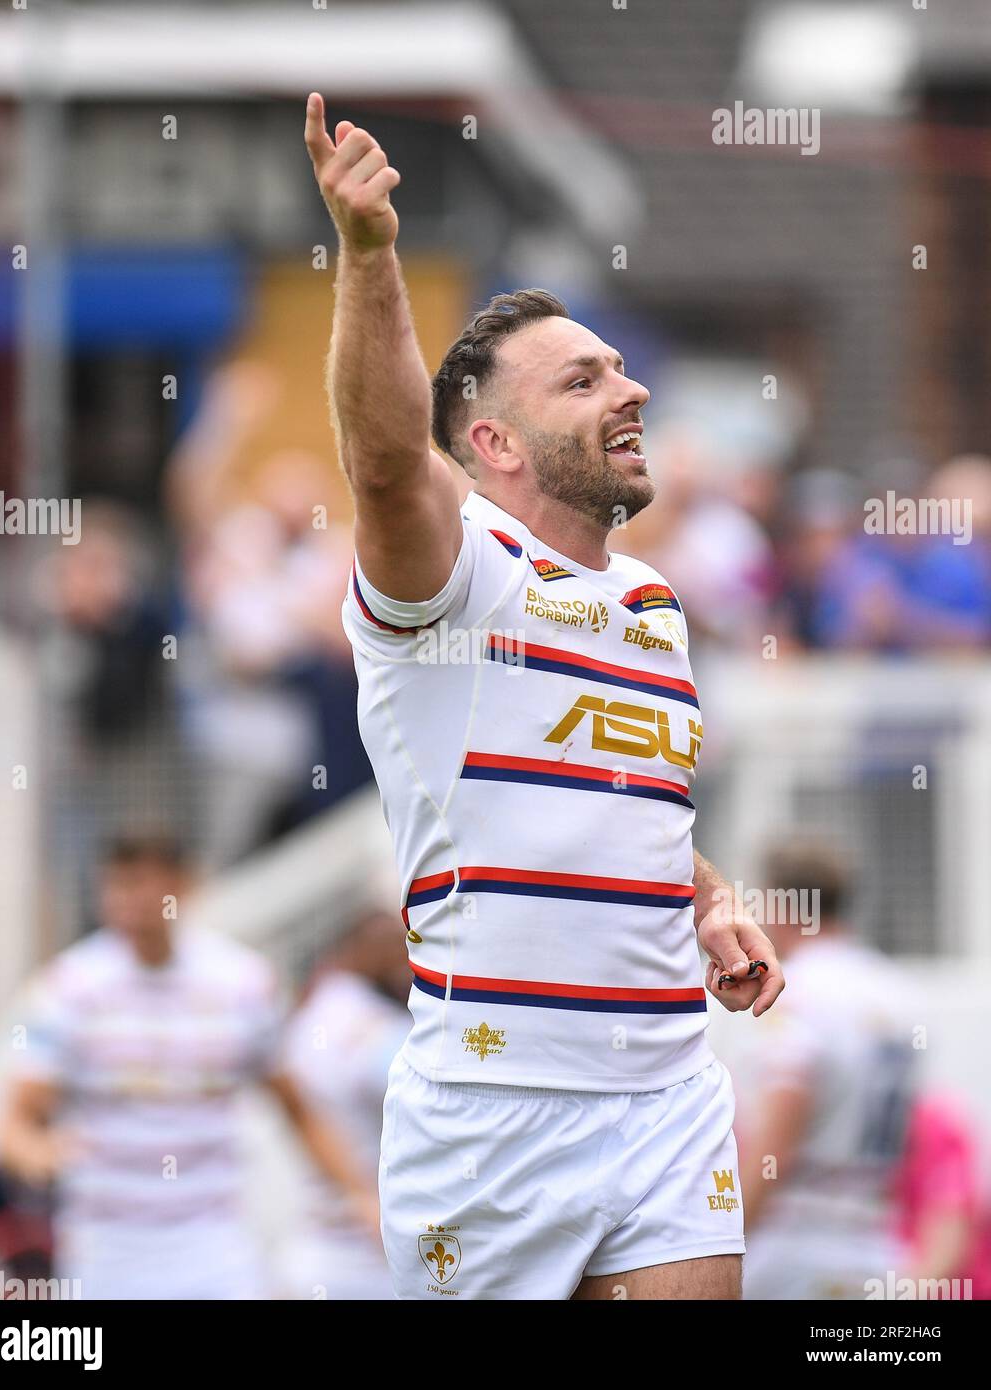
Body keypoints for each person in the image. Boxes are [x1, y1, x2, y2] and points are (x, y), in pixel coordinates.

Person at [303, 93, 784, 1301]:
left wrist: (710, 895)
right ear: (494, 443)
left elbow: (626, 804)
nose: (628, 392)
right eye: (582, 381)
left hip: (669, 1089)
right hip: (493, 1112)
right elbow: (377, 456)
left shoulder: (653, 604)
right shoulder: (454, 574)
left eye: (621, 369)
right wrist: (369, 254)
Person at [0, 835, 378, 1300]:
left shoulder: (242, 983)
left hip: (214, 1244)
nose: (128, 902)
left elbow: (298, 1109)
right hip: (106, 1246)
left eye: (142, 884)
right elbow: (16, 1121)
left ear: (184, 887)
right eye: (117, 886)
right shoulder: (68, 988)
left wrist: (360, 1195)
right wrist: (37, 1153)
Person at [731, 840, 922, 1300]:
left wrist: (730, 1243)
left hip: (795, 1243)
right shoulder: (896, 991)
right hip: (875, 1239)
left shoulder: (802, 993)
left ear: (782, 902)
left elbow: (781, 1128)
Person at [280, 910, 411, 1300]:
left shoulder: (309, 1015)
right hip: (376, 1256)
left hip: (317, 1246)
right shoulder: (368, 1023)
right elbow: (432, 1094)